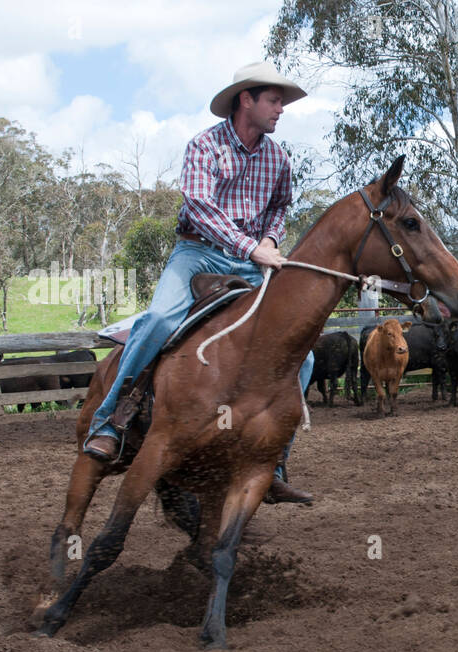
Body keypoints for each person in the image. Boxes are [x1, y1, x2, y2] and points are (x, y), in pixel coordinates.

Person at [84, 61, 314, 504]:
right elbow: (201, 208)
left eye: (282, 102)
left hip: (250, 260)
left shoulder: (278, 159)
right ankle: (110, 421)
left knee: (301, 356)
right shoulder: (204, 147)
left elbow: (280, 209)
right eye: (274, 100)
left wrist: (268, 238)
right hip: (196, 254)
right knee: (156, 319)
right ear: (246, 98)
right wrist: (253, 249)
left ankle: (275, 459)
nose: (280, 109)